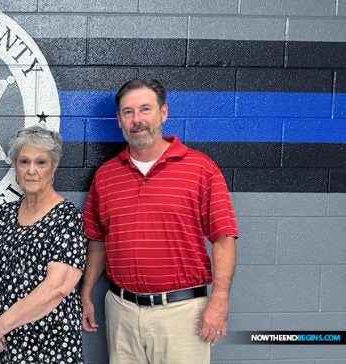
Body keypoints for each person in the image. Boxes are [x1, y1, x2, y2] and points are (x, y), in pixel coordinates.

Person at [80, 79, 238, 364]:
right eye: (128, 112)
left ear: (163, 113)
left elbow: (223, 238)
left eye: (145, 110)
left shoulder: (200, 169)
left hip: (181, 313)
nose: (137, 120)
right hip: (121, 311)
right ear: (119, 120)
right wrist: (86, 292)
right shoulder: (106, 176)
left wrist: (220, 300)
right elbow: (98, 240)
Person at [0, 125, 87, 363]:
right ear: (16, 167)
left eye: (40, 163)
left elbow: (57, 288)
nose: (31, 170)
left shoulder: (66, 217)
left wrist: (0, 325)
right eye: (24, 162)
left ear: (53, 167)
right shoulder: (7, 214)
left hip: (48, 346)